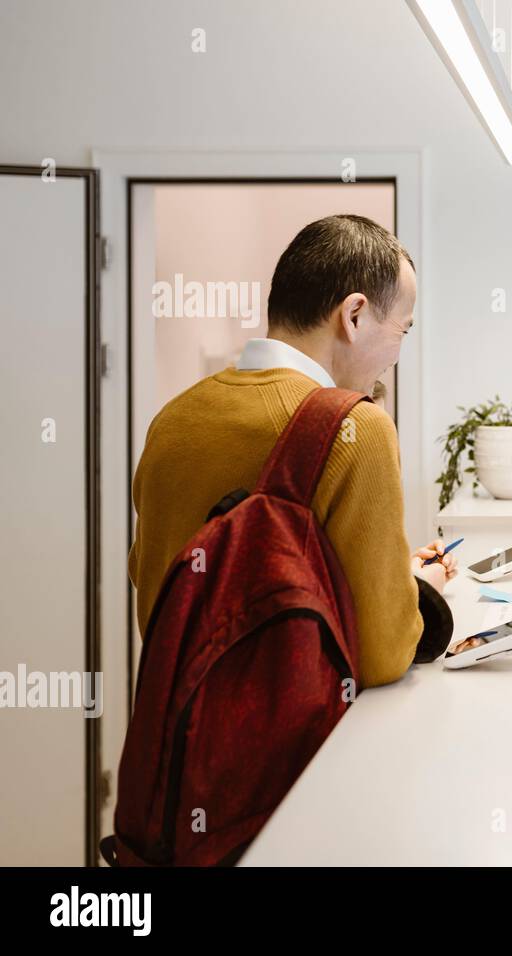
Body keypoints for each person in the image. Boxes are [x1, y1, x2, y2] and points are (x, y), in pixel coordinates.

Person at [129, 214, 456, 687]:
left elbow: (153, 576)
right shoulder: (358, 428)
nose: (397, 356)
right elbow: (382, 657)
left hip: (180, 739)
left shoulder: (173, 419)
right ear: (355, 315)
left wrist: (387, 577)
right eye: (402, 330)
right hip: (297, 751)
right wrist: (419, 592)